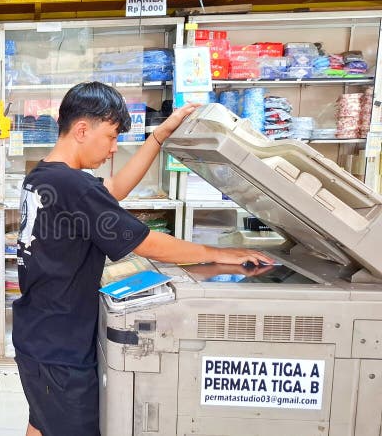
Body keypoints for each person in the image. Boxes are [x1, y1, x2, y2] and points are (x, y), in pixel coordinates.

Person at [14, 81, 273, 436]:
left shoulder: (44, 176)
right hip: (61, 346)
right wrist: (219, 254)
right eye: (111, 136)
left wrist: (158, 138)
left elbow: (113, 191)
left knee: (42, 422)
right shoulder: (74, 186)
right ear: (82, 129)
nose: (113, 148)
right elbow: (146, 242)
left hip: (38, 335)